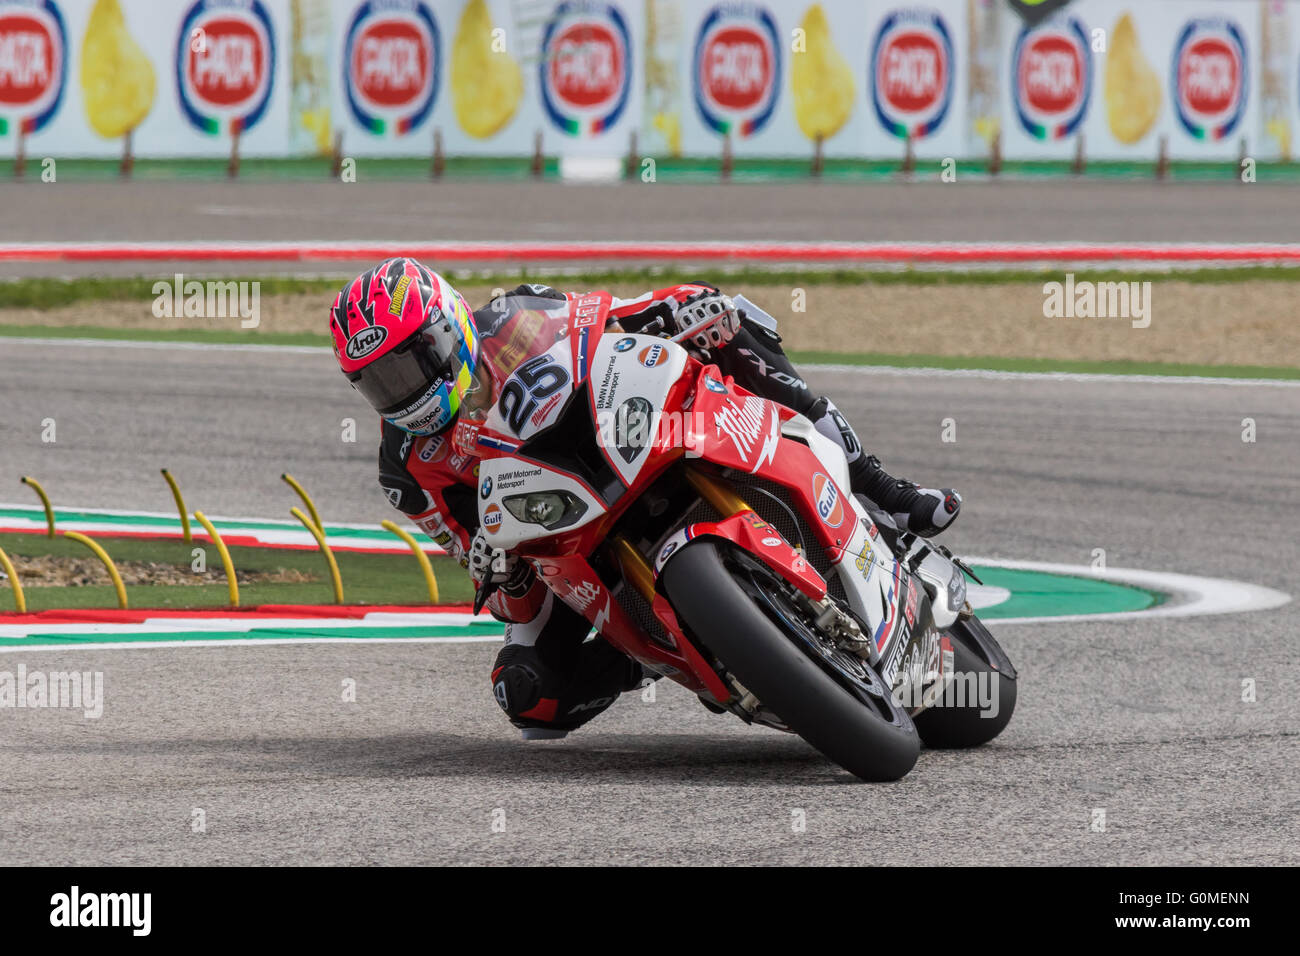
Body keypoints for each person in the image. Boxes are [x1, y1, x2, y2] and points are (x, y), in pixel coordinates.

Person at [329, 257, 961, 738]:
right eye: (379, 383)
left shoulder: (513, 318)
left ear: (447, 330)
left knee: (724, 321)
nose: (401, 392)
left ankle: (878, 485)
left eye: (410, 365)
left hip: (618, 439)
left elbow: (616, 315)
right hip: (561, 534)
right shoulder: (405, 470)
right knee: (527, 699)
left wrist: (674, 311)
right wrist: (492, 570)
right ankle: (645, 656)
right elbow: (497, 586)